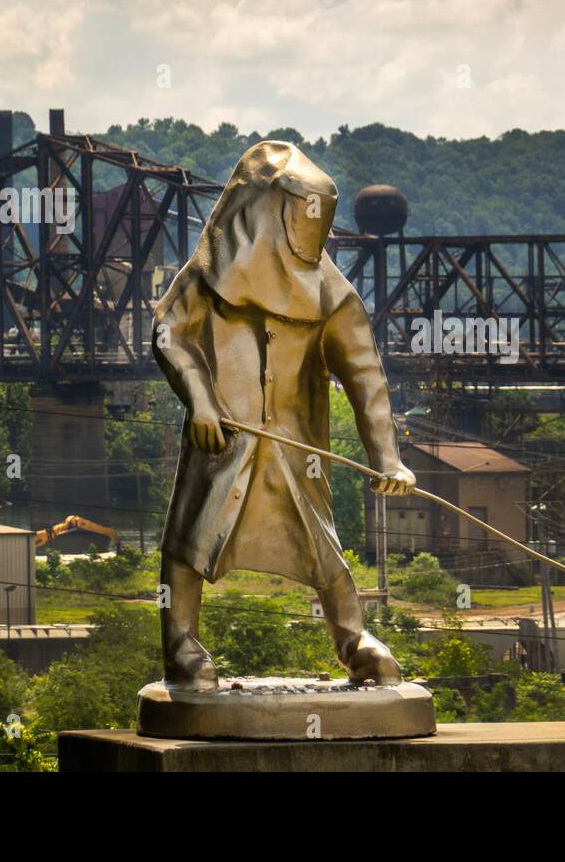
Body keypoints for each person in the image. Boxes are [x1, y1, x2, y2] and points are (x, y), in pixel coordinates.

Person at [152, 140, 415, 689]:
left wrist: (389, 460)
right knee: (191, 536)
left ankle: (353, 640)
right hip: (222, 437)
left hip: (297, 443)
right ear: (270, 207)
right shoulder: (209, 273)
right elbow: (169, 334)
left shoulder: (332, 294)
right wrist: (200, 399)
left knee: (322, 546)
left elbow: (365, 377)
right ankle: (181, 644)